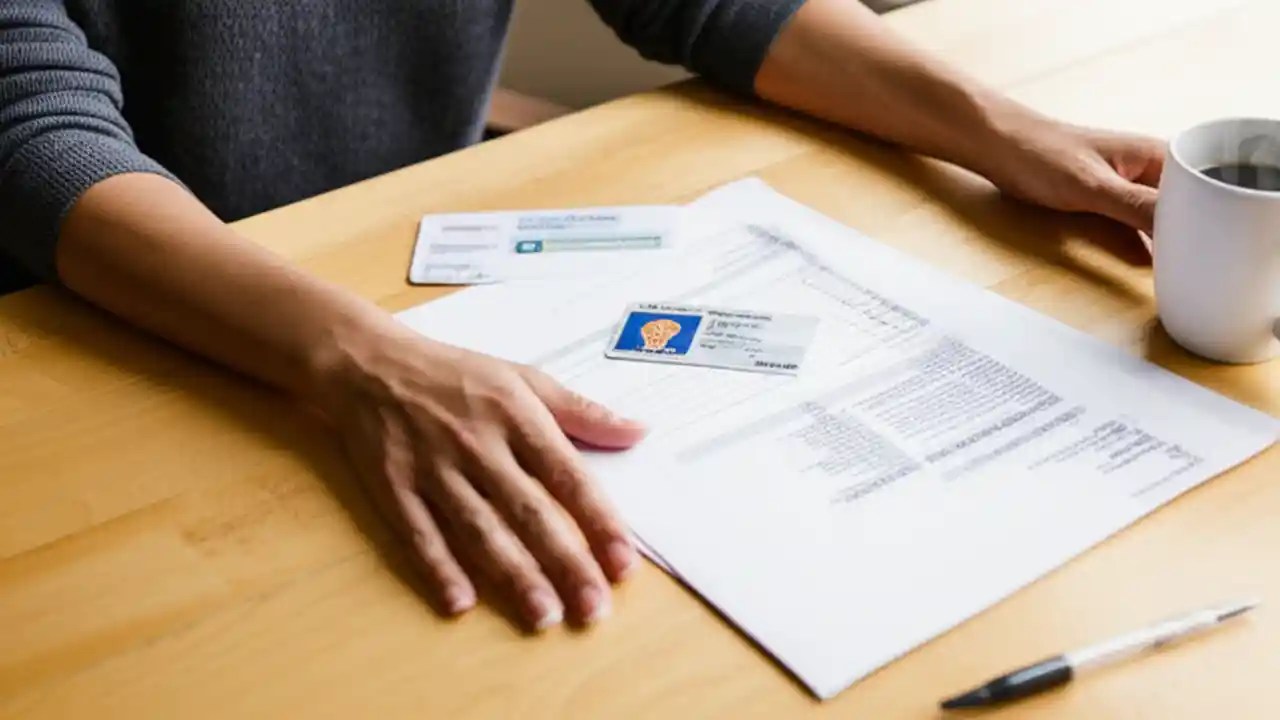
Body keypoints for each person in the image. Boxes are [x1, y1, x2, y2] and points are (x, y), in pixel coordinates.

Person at [0, 0, 1165, 631]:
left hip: (416, 278)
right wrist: (358, 358)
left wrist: (1004, 133)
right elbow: (32, 132)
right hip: (113, 334)